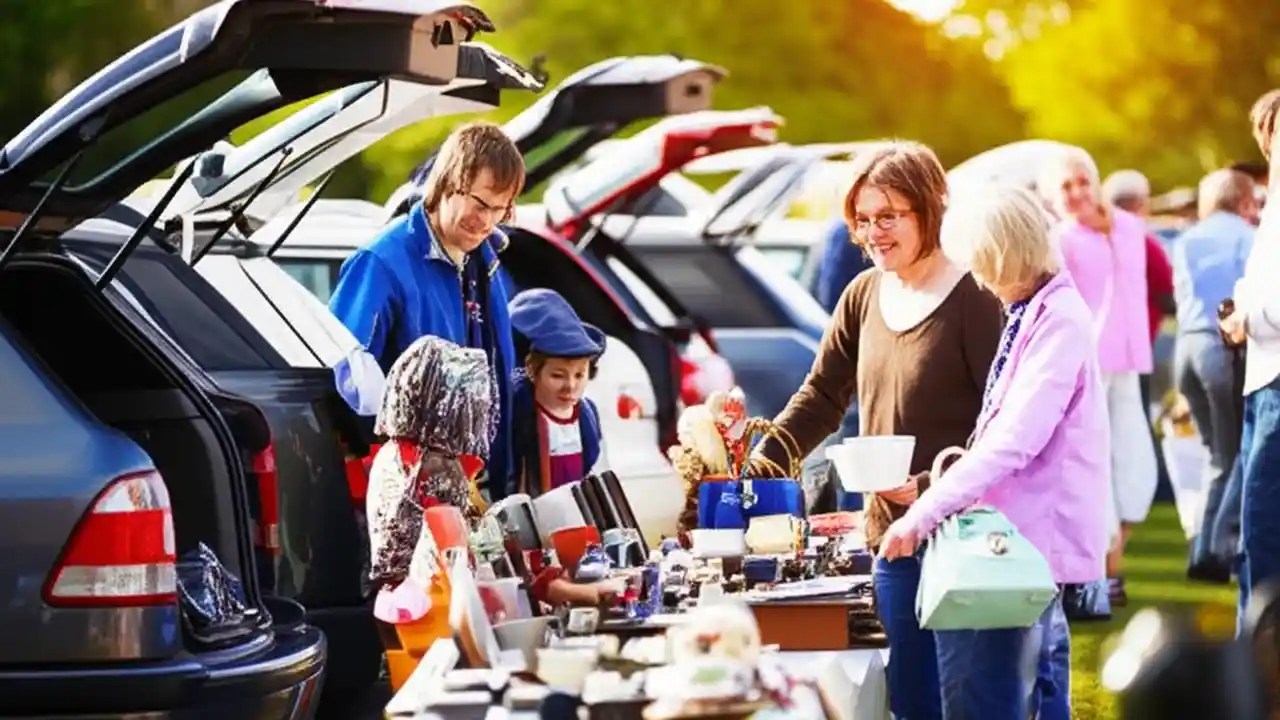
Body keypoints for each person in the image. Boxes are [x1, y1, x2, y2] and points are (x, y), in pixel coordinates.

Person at [755, 141, 1004, 720]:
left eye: (889, 216)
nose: (872, 233)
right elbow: (821, 396)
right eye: (863, 220)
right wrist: (761, 462)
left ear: (929, 209)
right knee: (912, 702)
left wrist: (929, 485)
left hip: (967, 536)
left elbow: (1006, 423)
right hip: (891, 537)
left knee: (971, 704)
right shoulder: (862, 295)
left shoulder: (975, 296)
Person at [880, 184, 1109, 720]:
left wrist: (923, 513)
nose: (980, 281)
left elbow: (1015, 440)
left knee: (1003, 693)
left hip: (1025, 545)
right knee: (1038, 685)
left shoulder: (1058, 320)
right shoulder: (1036, 308)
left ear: (1009, 255)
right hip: (1020, 540)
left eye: (984, 267)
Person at [330, 121, 525, 502]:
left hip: (473, 484)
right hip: (407, 491)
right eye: (480, 204)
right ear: (449, 182)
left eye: (499, 211)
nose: (487, 221)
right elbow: (346, 373)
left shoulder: (485, 262)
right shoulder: (381, 262)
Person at [1040, 147, 1157, 608]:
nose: (1075, 193)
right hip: (1086, 366)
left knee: (1135, 464)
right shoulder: (1060, 240)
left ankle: (1112, 559)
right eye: (1064, 187)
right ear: (1052, 197)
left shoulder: (1131, 228)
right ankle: (1101, 573)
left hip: (1131, 363)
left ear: (1096, 182)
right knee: (1093, 464)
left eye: (1081, 182)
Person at [1172, 169, 1258, 582]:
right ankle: (1217, 551)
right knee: (1238, 452)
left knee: (1215, 455)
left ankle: (1201, 549)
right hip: (1220, 349)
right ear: (1244, 201)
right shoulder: (1248, 237)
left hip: (1185, 348)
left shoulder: (1187, 237)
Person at [1220, 89, 1280, 629]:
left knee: (1263, 539)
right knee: (1255, 538)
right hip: (1264, 380)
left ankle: (1258, 681)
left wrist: (1247, 317)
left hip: (1276, 382)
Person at [507, 288, 608, 495]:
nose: (570, 387)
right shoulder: (516, 411)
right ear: (532, 371)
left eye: (579, 375)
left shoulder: (587, 414)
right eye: (558, 376)